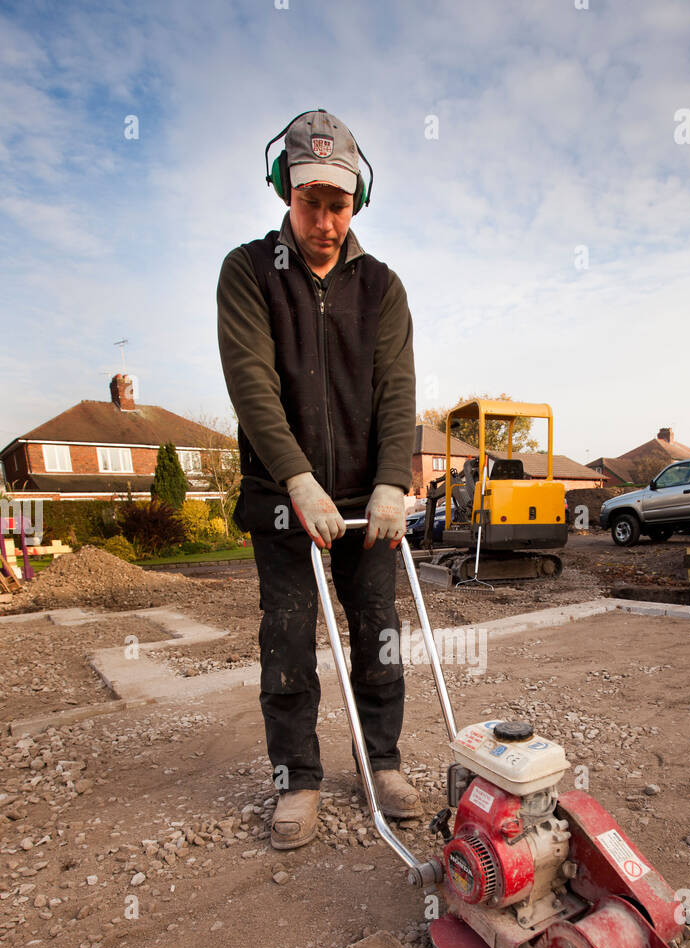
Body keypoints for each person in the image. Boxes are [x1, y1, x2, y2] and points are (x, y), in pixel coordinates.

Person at [217, 108, 422, 849]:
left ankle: (384, 762)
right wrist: (297, 479)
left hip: (369, 501)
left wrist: (392, 482)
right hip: (284, 498)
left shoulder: (382, 288)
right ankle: (296, 779)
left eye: (338, 204)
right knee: (289, 636)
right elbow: (252, 385)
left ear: (356, 200)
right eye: (311, 202)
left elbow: (397, 392)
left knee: (379, 631)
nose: (325, 221)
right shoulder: (248, 272)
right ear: (285, 190)